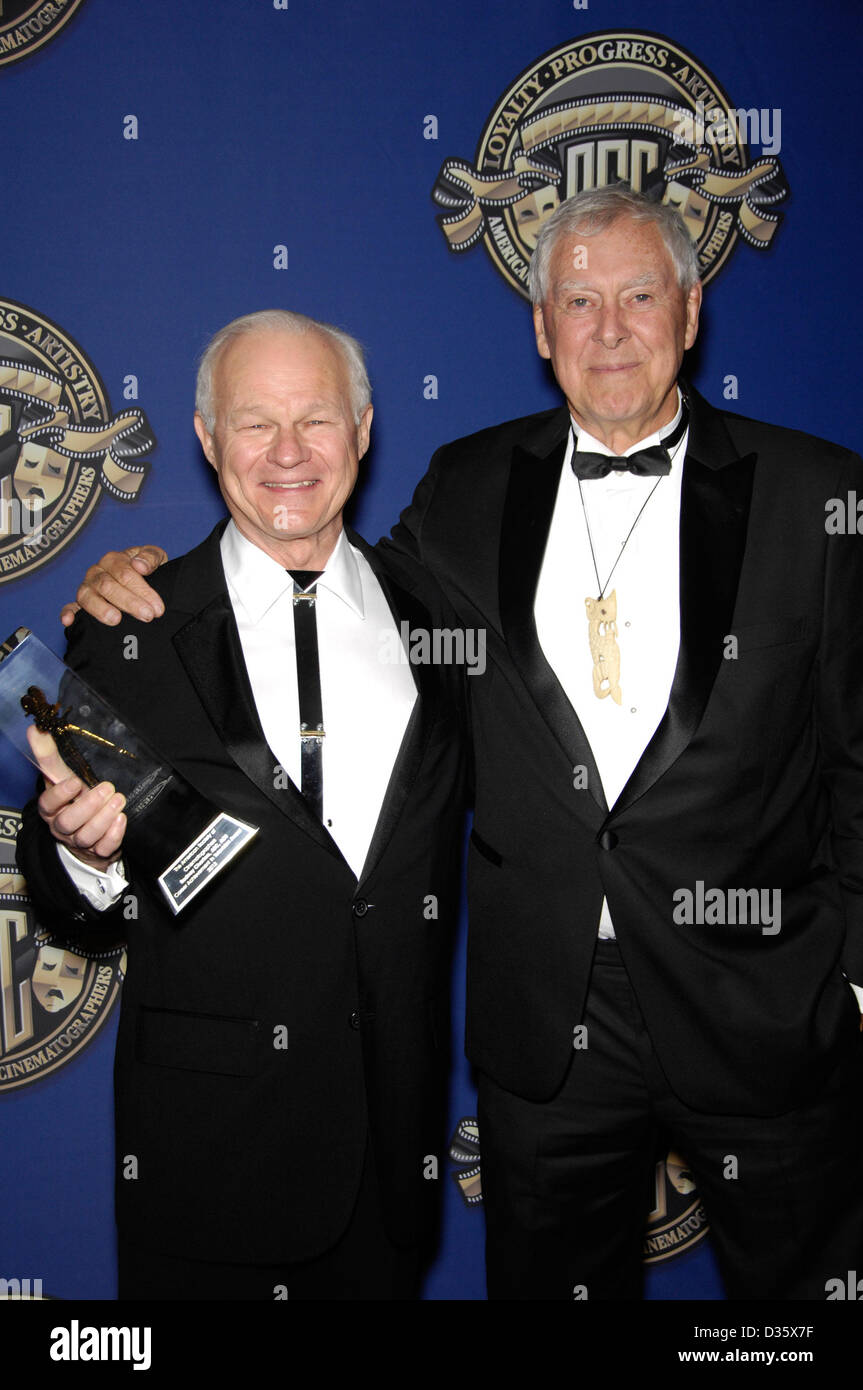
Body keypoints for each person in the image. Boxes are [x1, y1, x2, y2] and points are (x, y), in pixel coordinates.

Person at [65, 188, 863, 1302]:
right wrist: (124, 576)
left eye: (638, 295)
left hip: (763, 1016)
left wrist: (849, 985)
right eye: (576, 301)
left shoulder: (819, 496)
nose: (608, 329)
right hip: (547, 1038)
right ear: (539, 328)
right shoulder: (465, 490)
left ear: (690, 311)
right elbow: (301, 573)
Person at [17, 310, 465, 1300]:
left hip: (390, 1166)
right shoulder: (129, 629)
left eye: (316, 418)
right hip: (205, 1166)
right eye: (255, 423)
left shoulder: (439, 617)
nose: (290, 452)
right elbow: (56, 883)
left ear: (363, 427)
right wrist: (81, 855)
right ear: (208, 438)